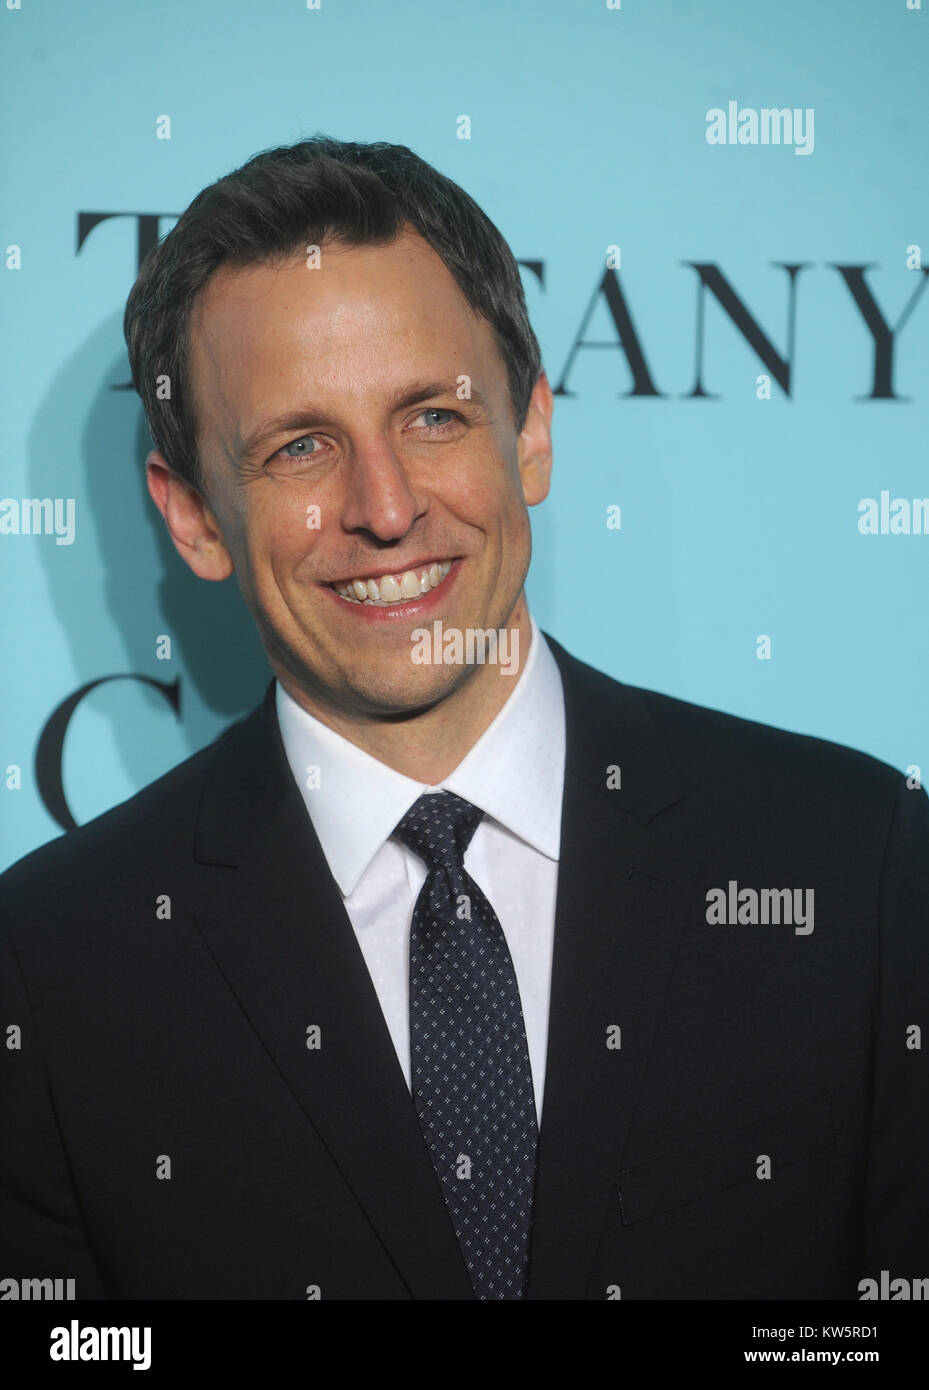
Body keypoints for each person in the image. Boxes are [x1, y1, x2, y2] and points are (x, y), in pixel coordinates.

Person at [1, 136, 927, 1301]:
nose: (384, 509)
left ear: (529, 430)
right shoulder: (48, 966)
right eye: (300, 446)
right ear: (192, 514)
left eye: (432, 418)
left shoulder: (854, 862)